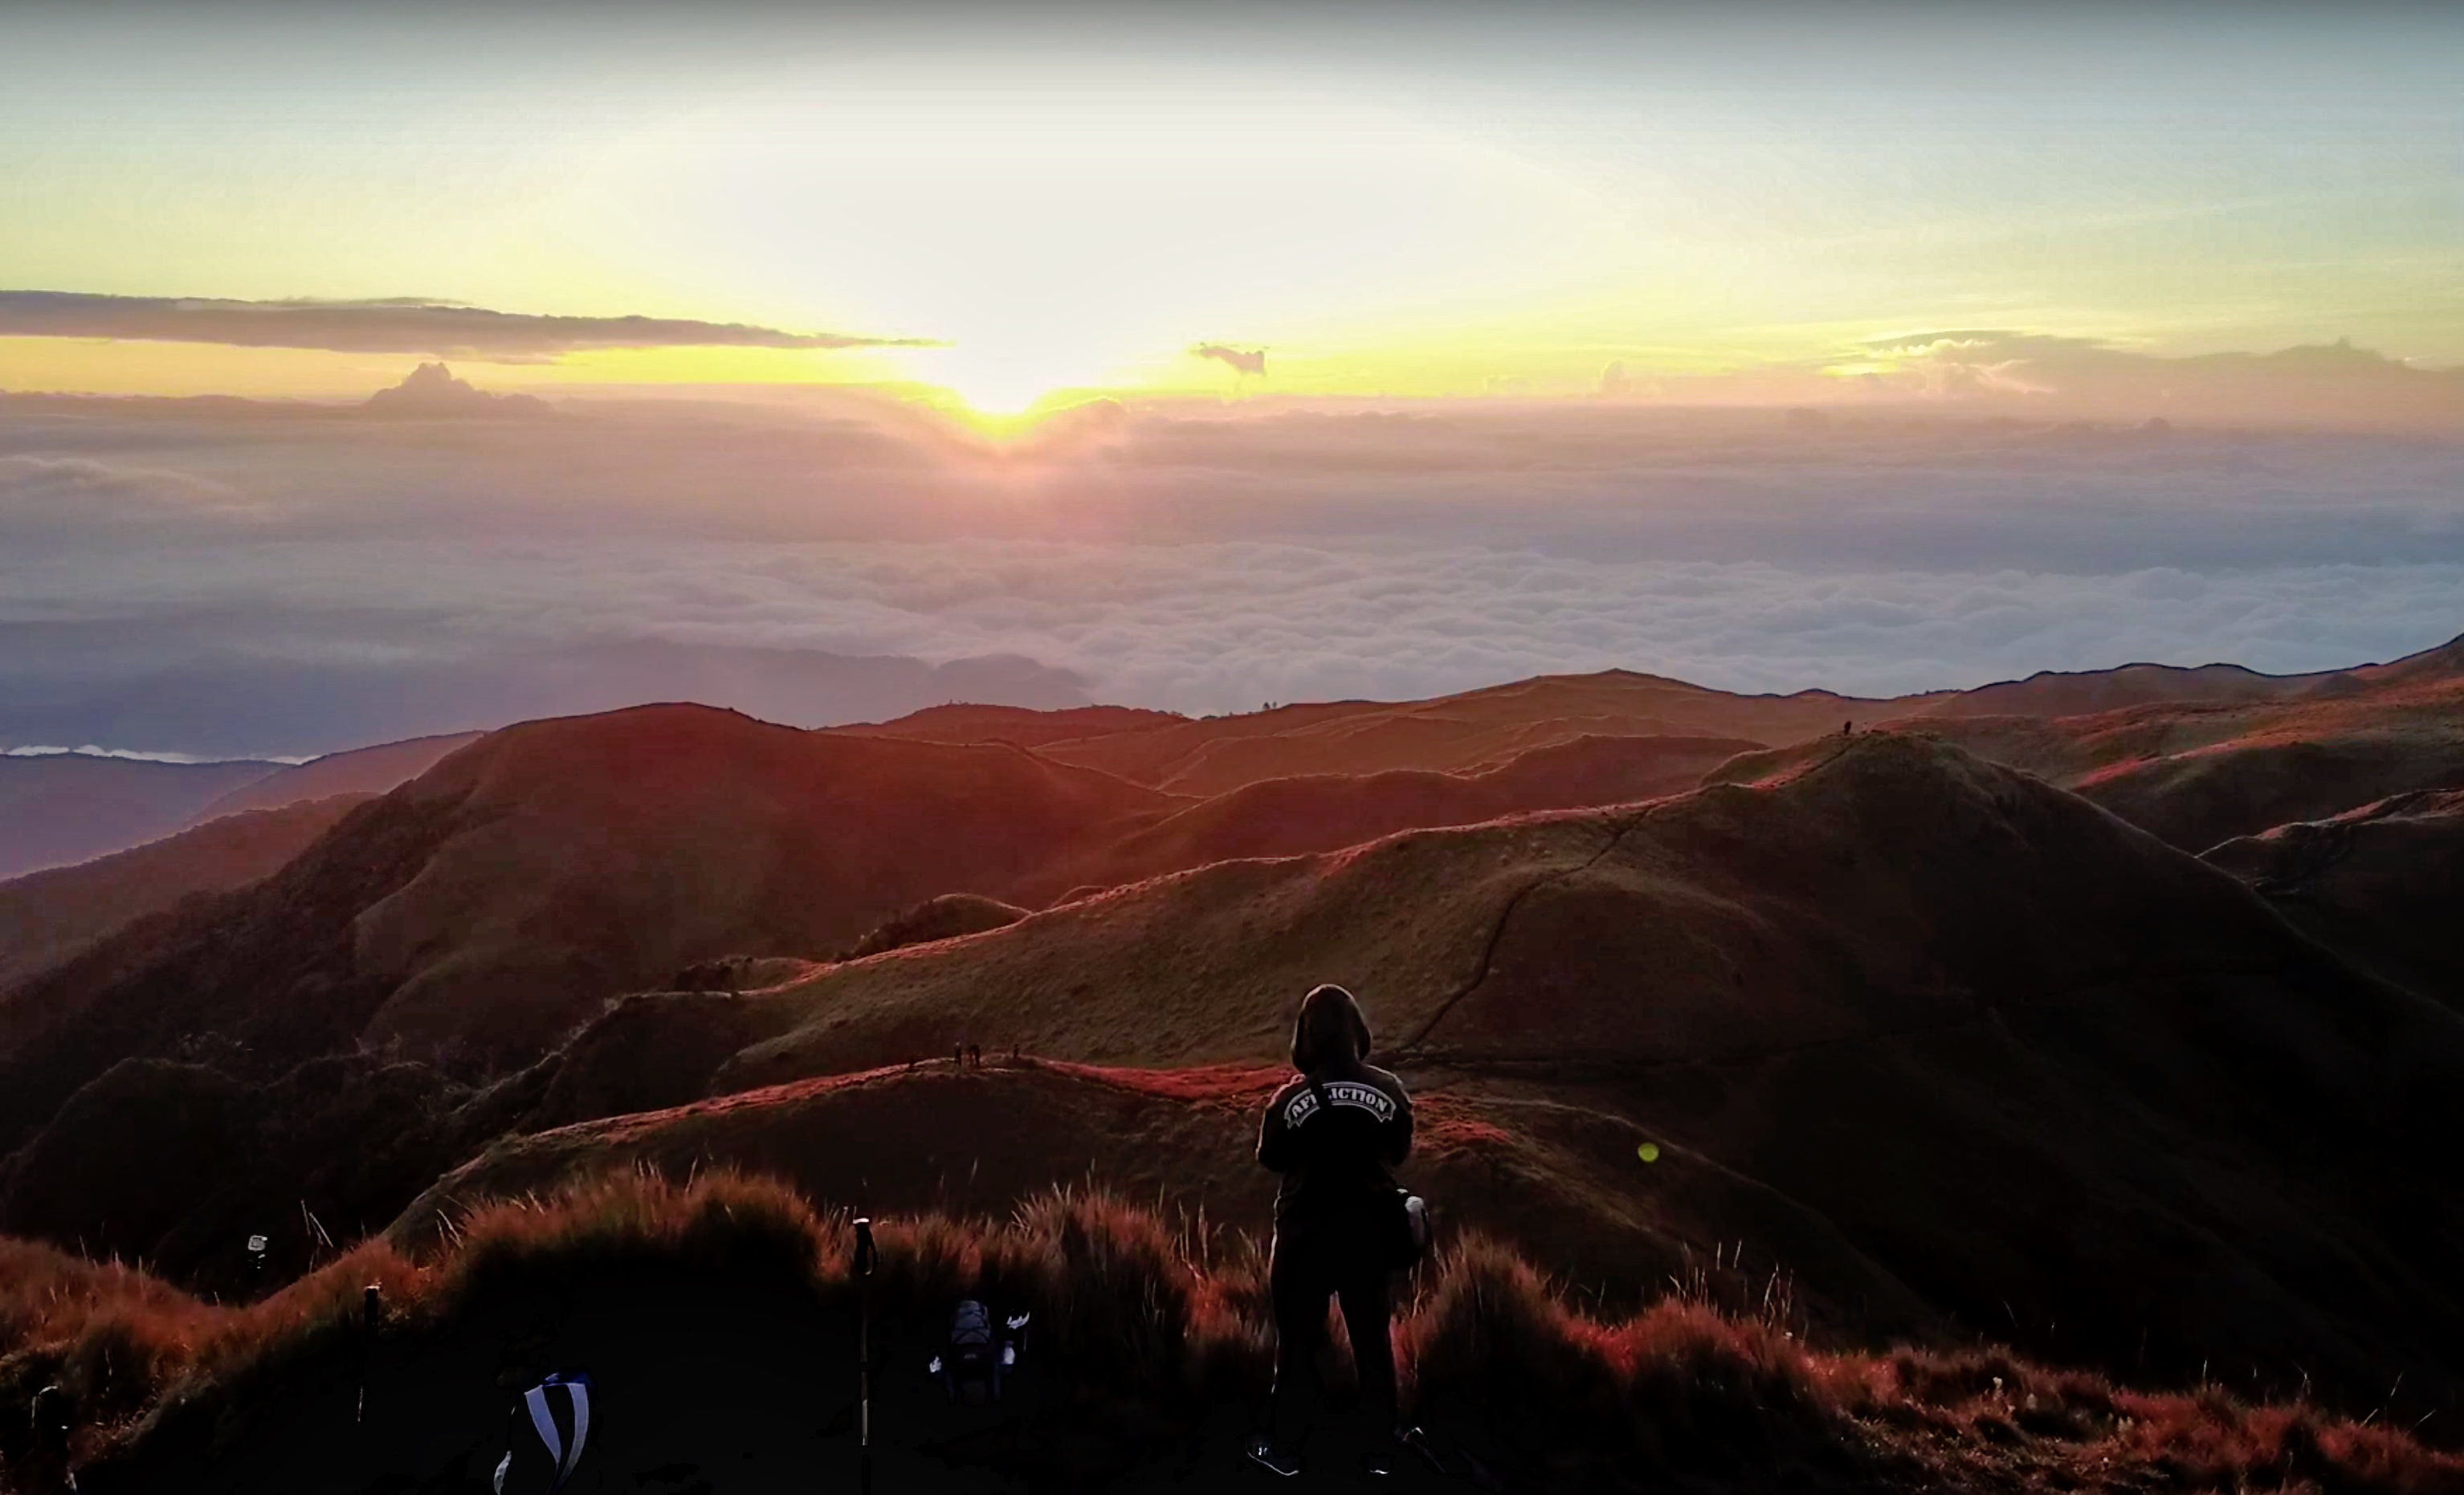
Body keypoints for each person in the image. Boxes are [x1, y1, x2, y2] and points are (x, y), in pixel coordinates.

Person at [1248, 984, 1416, 1477]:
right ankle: (1380, 1454)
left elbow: (1270, 1158)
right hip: (1368, 1239)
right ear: (1356, 1032)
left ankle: (1285, 1449)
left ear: (1307, 1038)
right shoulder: (1389, 1089)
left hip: (1304, 1240)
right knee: (1373, 1347)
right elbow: (1399, 1150)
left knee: (1296, 1348)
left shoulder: (1290, 1100)